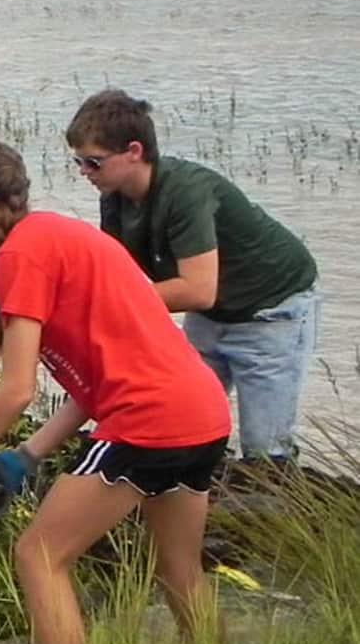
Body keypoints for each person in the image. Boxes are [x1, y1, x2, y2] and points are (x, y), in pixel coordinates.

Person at [0, 139, 232, 644]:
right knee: (178, 565)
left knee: (39, 556)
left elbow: (16, 391)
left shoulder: (19, 255)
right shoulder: (64, 234)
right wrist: (26, 456)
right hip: (203, 413)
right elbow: (98, 382)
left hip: (147, 420)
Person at [66, 90, 320, 464]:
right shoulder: (114, 197)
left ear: (134, 151)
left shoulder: (185, 192)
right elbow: (117, 276)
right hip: (212, 315)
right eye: (79, 162)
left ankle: (276, 489)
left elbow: (198, 290)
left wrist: (109, 303)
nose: (84, 172)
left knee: (265, 450)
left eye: (93, 162)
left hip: (272, 309)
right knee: (183, 421)